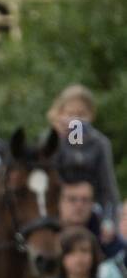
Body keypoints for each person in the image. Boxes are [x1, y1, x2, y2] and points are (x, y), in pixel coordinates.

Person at [43, 85, 120, 247]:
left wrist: (109, 220)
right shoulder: (51, 140)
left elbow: (109, 188)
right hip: (58, 211)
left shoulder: (99, 143)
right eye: (71, 114)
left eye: (81, 114)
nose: (75, 120)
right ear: (60, 114)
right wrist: (57, 139)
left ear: (90, 116)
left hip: (91, 211)